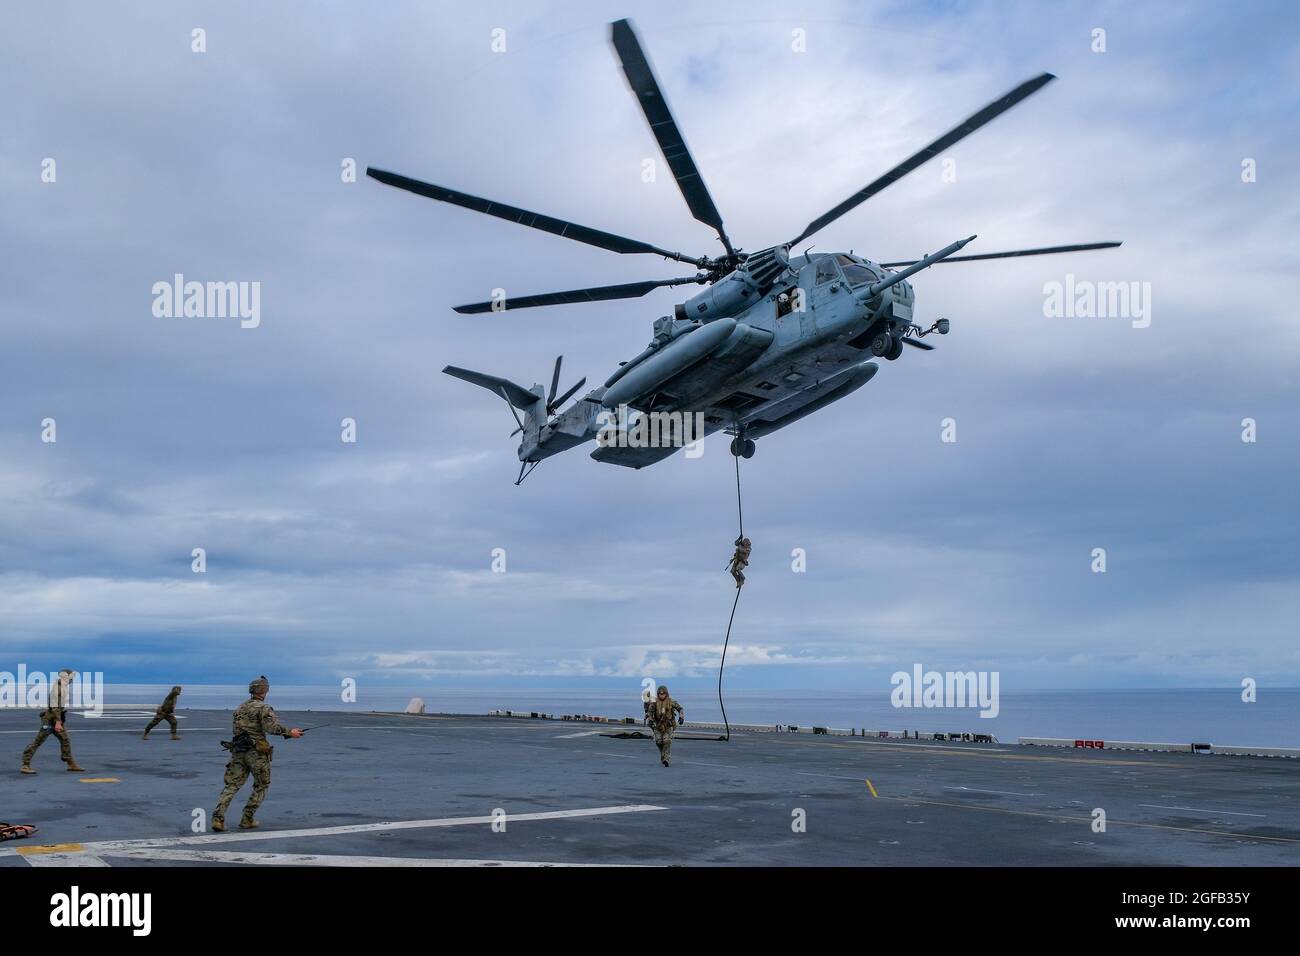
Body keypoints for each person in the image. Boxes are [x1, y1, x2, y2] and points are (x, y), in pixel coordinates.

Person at [212, 676, 302, 832]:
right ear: (265, 691)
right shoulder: (264, 708)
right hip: (256, 753)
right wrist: (290, 732)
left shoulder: (240, 708)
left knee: (232, 785)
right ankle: (247, 818)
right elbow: (271, 728)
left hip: (238, 751)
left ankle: (218, 819)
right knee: (262, 785)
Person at [21, 669, 84, 774]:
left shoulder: (62, 687)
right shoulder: (57, 688)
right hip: (50, 721)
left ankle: (70, 763)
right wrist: (58, 722)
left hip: (56, 718)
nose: (72, 680)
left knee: (65, 740)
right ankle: (25, 765)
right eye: (71, 678)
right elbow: (54, 708)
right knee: (38, 741)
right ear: (65, 677)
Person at [644, 685, 684, 767]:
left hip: (668, 725)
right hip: (658, 725)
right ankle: (663, 755)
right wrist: (650, 720)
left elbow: (680, 708)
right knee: (658, 741)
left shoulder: (671, 701)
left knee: (667, 741)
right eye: (660, 694)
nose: (662, 695)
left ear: (666, 694)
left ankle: (666, 759)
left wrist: (681, 717)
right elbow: (650, 712)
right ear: (658, 694)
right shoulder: (654, 703)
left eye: (663, 694)